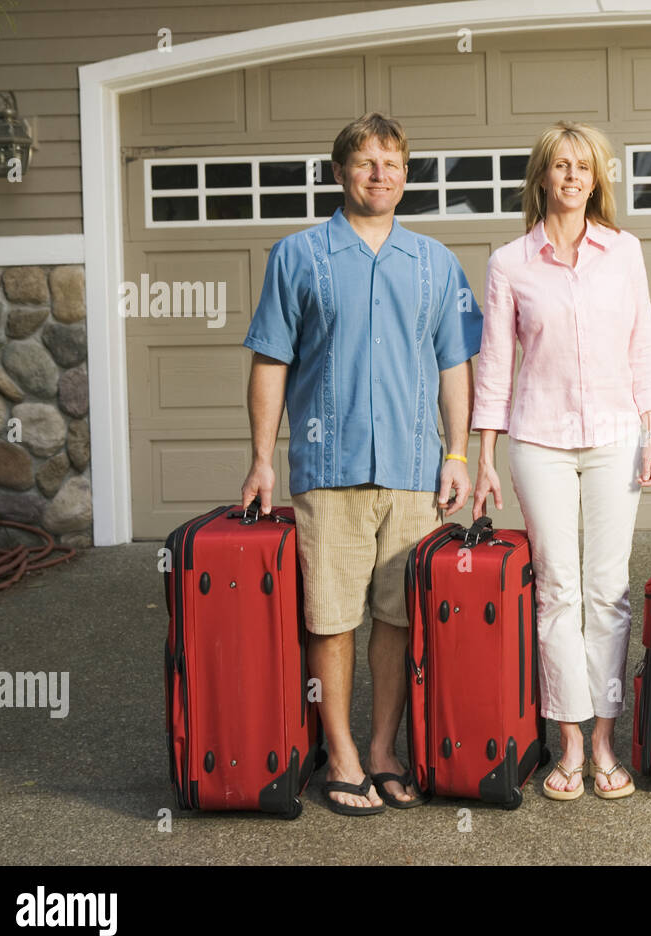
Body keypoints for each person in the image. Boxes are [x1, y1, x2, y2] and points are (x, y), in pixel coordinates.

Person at [240, 113, 483, 815]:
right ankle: (340, 753)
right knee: (331, 618)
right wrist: (262, 461)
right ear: (340, 171)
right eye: (366, 162)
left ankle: (383, 749)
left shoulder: (436, 262)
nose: (380, 175)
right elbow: (270, 362)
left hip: (413, 470)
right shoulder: (296, 256)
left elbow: (454, 366)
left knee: (399, 618)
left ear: (407, 176)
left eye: (393, 164)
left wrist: (458, 453)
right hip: (329, 468)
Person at [472, 120, 651, 801]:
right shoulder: (510, 264)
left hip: (618, 434)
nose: (571, 176)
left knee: (608, 590)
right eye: (559, 165)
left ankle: (604, 743)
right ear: (541, 177)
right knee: (558, 589)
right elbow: (495, 366)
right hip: (538, 441)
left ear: (596, 179)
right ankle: (565, 744)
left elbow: (642, 345)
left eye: (582, 167)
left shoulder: (625, 252)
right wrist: (485, 458)